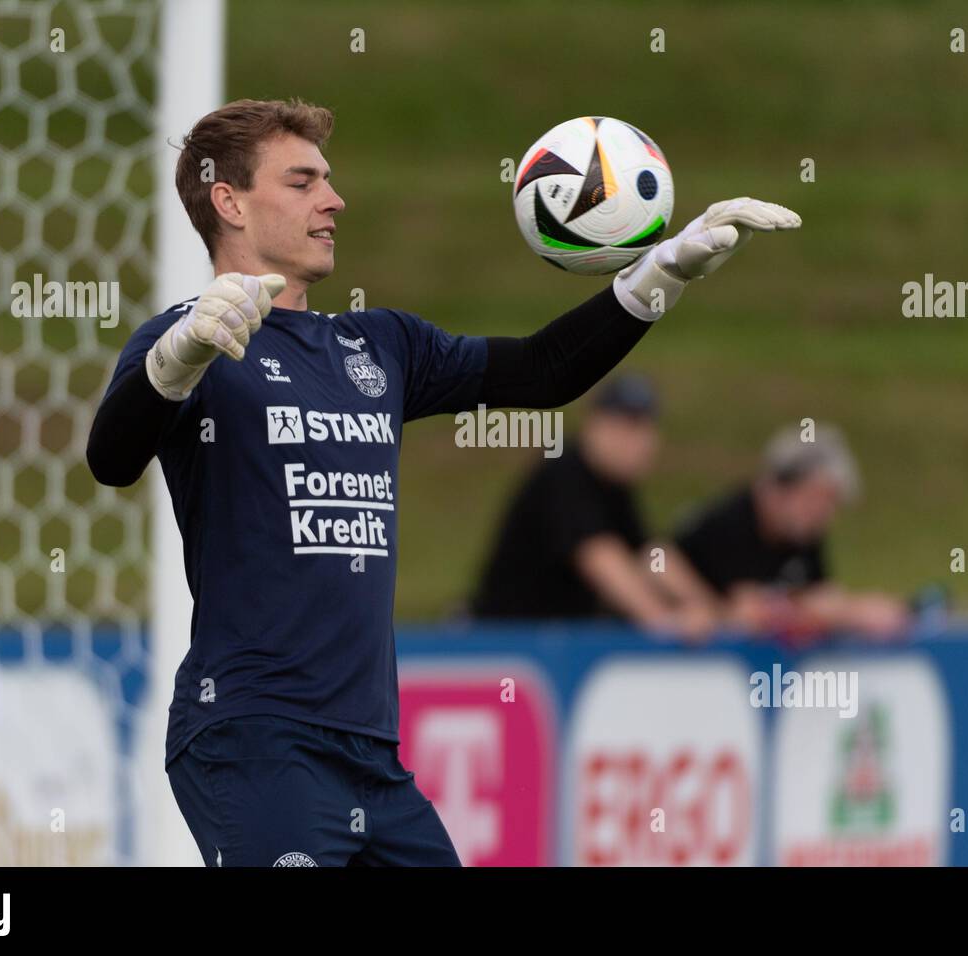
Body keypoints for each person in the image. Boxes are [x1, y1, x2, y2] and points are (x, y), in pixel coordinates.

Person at [85, 97, 801, 866]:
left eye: (328, 179)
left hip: (371, 755)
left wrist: (658, 274)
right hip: (254, 740)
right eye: (302, 183)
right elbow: (112, 458)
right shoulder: (188, 340)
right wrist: (178, 360)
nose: (334, 199)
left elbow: (543, 371)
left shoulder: (378, 344)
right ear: (227, 200)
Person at [470, 374, 719, 639]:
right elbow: (600, 558)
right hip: (506, 640)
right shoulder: (565, 473)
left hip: (550, 640)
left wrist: (717, 612)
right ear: (594, 425)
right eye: (627, 427)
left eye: (645, 427)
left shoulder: (614, 487)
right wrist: (664, 621)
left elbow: (650, 557)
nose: (642, 442)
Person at [675, 425, 909, 645]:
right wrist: (852, 612)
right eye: (817, 499)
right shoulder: (729, 524)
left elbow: (822, 595)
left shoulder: (800, 532)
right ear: (778, 489)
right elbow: (750, 613)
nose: (825, 515)